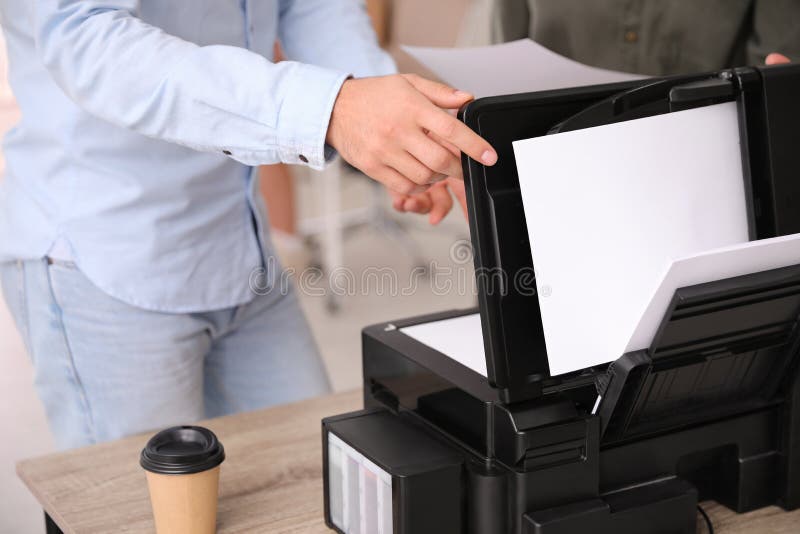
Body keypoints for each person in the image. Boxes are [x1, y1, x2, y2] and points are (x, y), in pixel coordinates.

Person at [0, 1, 498, 449]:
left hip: (238, 241)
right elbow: (85, 39)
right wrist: (330, 108)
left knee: (311, 479)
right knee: (149, 512)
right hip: (103, 254)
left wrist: (390, 125)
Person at [390, 0, 797, 222]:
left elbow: (771, 83)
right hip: (549, 198)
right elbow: (494, 82)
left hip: (701, 201)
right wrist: (451, 155)